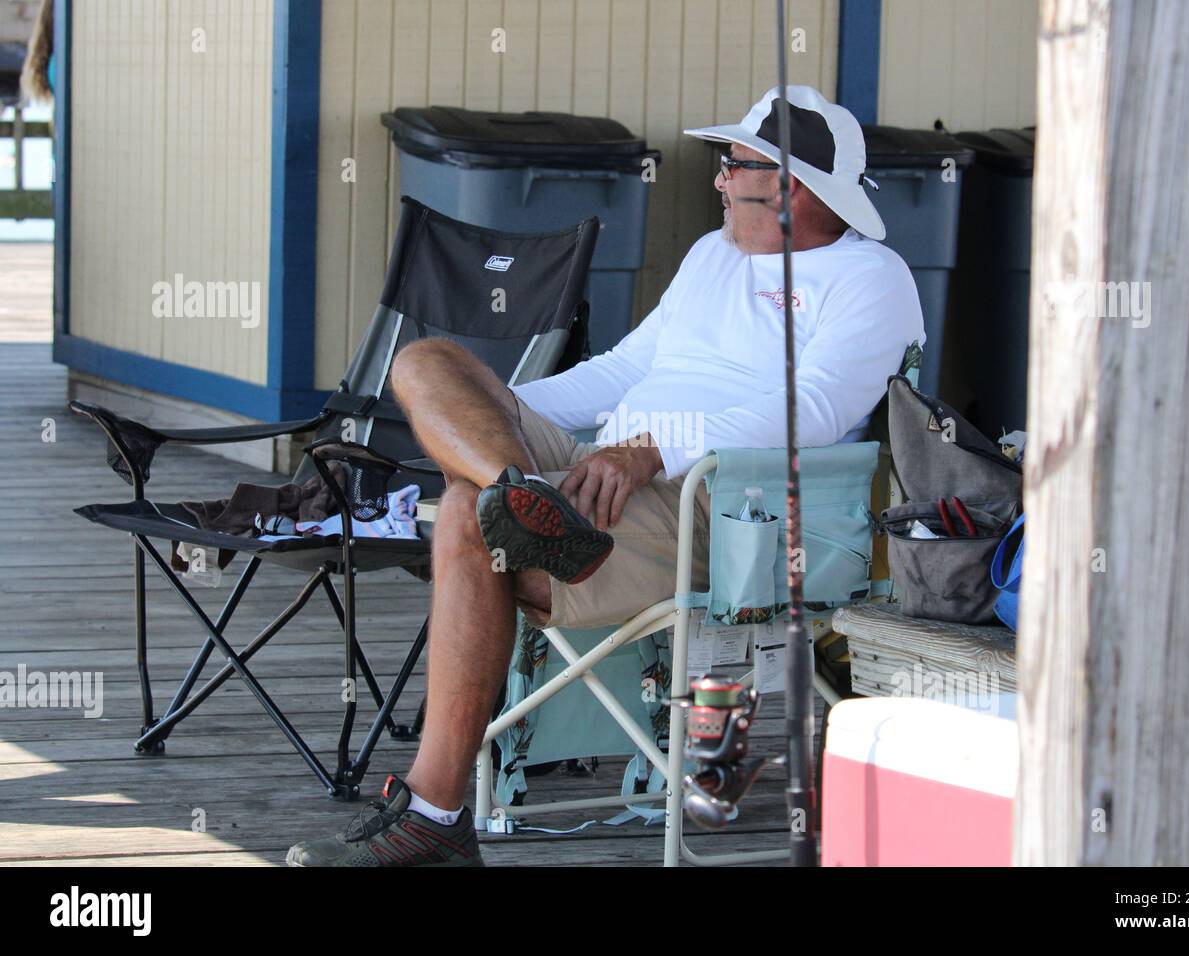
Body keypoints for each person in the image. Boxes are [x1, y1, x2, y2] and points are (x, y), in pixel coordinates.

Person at [286, 85, 923, 867]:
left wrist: (650, 450)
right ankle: (517, 494)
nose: (719, 181)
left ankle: (433, 812)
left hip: (717, 507)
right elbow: (625, 368)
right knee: (428, 363)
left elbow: (814, 411)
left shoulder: (872, 278)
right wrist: (492, 412)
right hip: (596, 475)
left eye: (733, 166)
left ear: (790, 185)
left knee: (462, 515)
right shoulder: (713, 255)